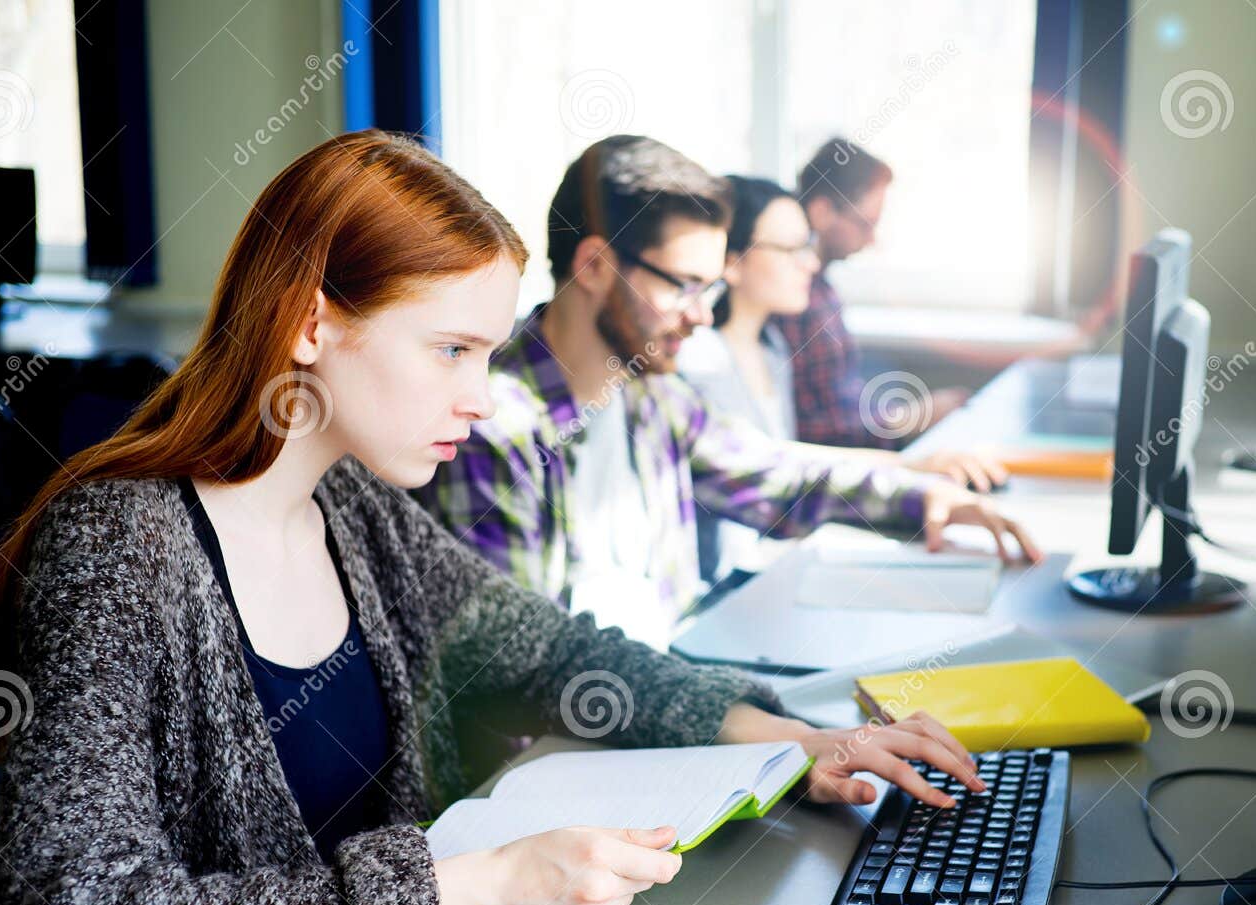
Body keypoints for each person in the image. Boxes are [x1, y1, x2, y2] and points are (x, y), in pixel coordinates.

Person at [0, 130, 991, 905]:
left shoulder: (355, 511)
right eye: (452, 349)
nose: (478, 395)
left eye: (489, 352)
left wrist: (793, 742)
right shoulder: (119, 547)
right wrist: (475, 896)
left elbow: (556, 652)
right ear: (309, 326)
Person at [419, 135, 1038, 647]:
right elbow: (527, 669)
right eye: (685, 285)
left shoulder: (649, 397)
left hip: (663, 709)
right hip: (569, 757)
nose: (703, 315)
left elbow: (779, 477)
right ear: (596, 266)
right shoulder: (493, 432)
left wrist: (922, 494)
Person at [678, 174, 1010, 578]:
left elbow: (790, 457)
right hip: (733, 576)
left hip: (777, 558)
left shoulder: (772, 347)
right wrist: (907, 468)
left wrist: (912, 468)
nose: (811, 262)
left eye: (808, 246)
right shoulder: (699, 365)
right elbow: (777, 471)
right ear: (731, 261)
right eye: (791, 249)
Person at [778, 137, 968, 448]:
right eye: (865, 225)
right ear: (823, 211)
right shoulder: (795, 299)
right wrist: (906, 420)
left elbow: (840, 404)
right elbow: (818, 437)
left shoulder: (822, 290)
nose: (871, 241)